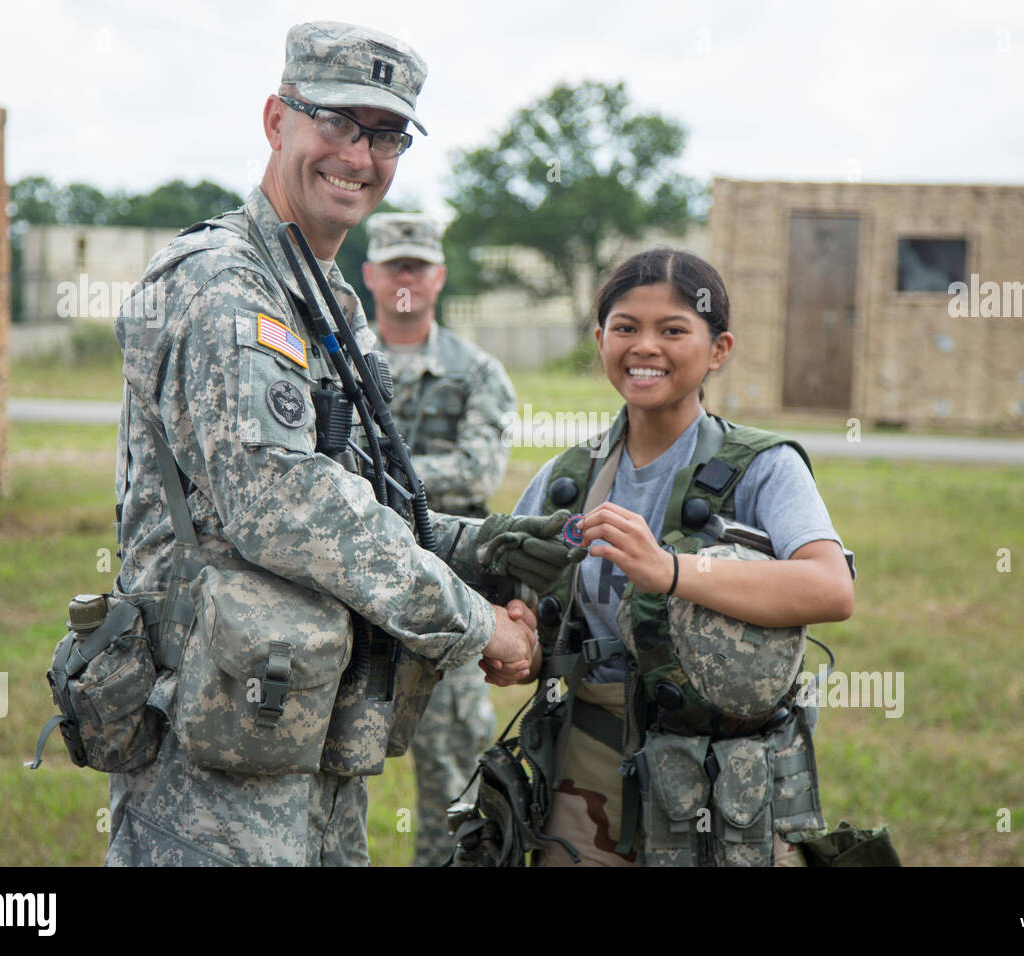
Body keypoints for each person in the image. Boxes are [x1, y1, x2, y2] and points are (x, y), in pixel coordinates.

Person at [106, 21, 554, 867]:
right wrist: (475, 623)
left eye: (385, 134)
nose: (360, 154)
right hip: (207, 759)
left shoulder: (331, 304)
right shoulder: (220, 283)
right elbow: (284, 505)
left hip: (306, 733)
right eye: (337, 122)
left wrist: (488, 549)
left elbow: (368, 496)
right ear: (276, 120)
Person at [511, 248, 857, 866]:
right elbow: (515, 600)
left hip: (726, 778)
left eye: (673, 330)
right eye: (626, 328)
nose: (646, 347)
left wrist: (672, 572)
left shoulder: (763, 467)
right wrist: (520, 643)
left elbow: (831, 590)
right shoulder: (568, 477)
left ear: (718, 349)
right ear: (600, 340)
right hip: (589, 765)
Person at [362, 212, 515, 865]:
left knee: (455, 777)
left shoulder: (475, 371)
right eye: (394, 263)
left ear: (438, 277)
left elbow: (480, 468)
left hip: (445, 597)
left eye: (417, 265)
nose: (406, 276)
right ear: (368, 275)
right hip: (350, 592)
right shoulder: (338, 360)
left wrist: (369, 478)